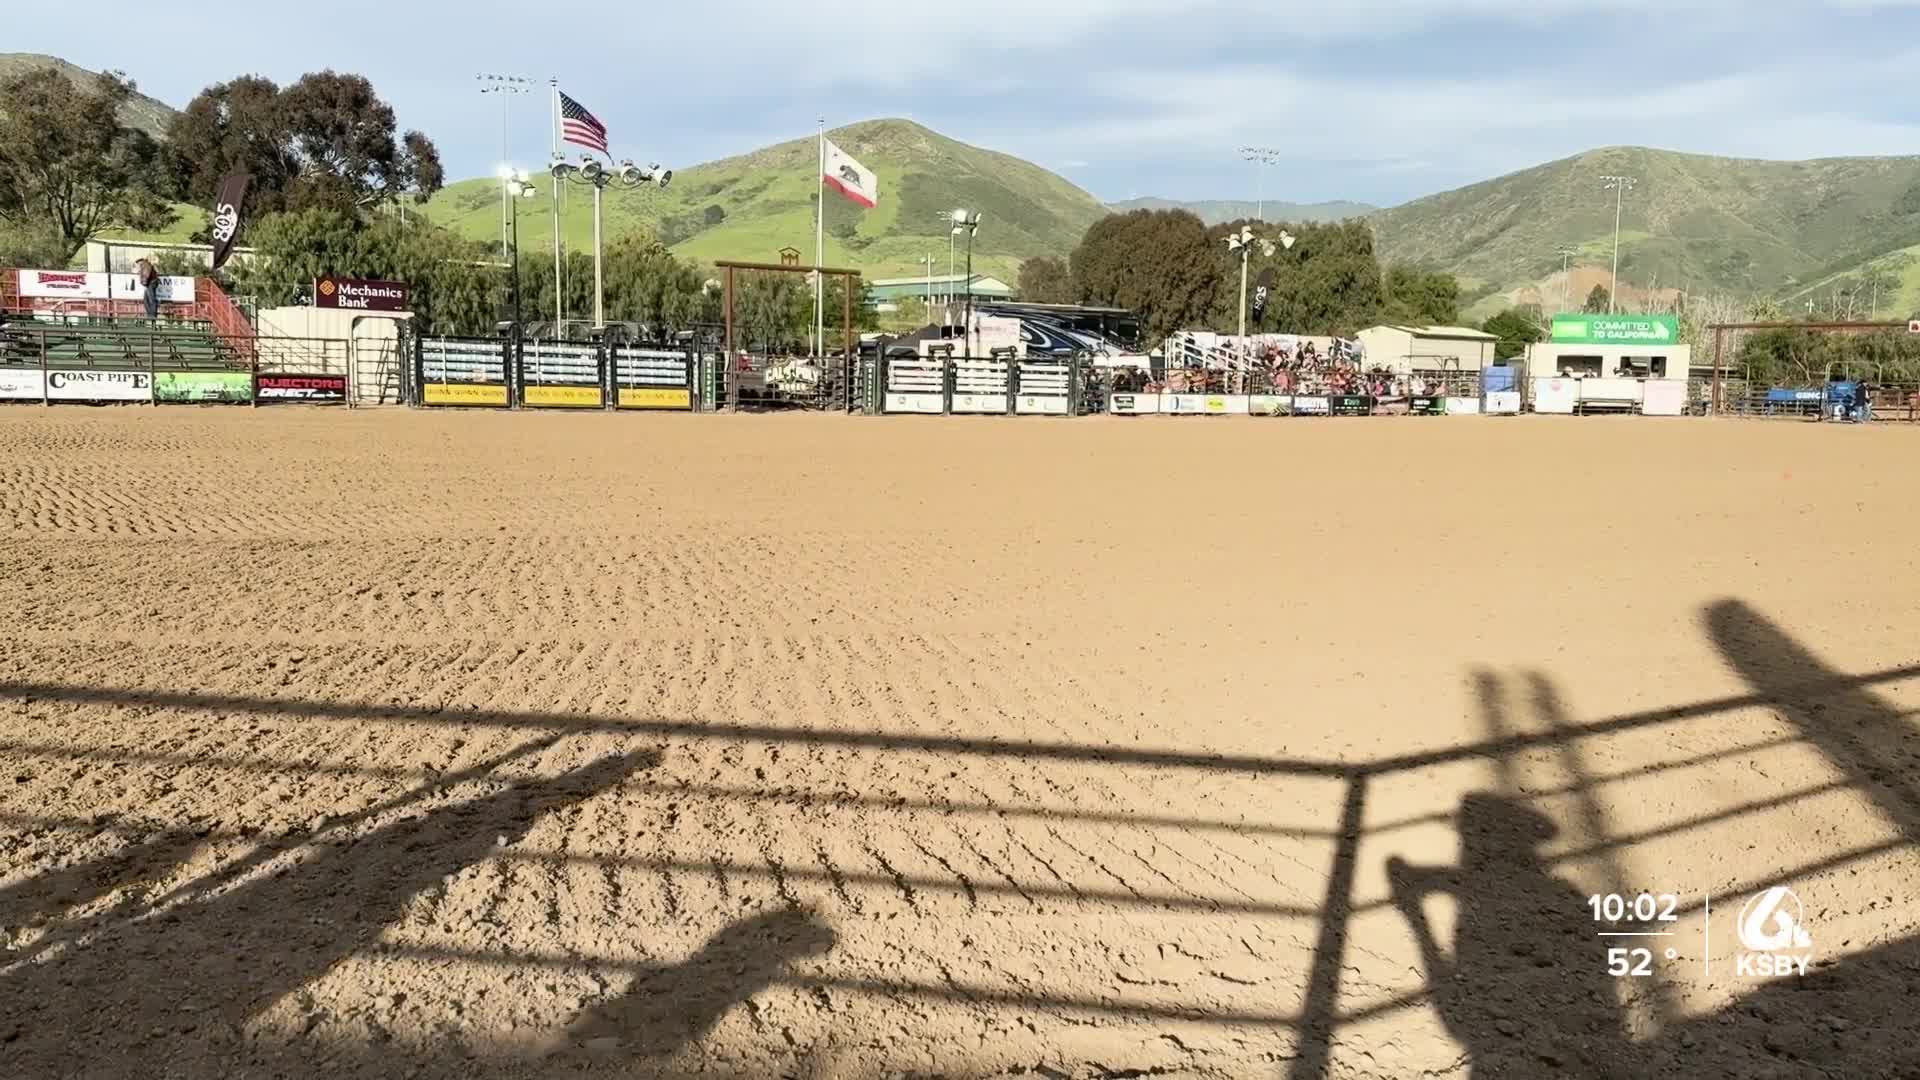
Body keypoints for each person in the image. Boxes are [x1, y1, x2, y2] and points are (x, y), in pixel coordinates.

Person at [134, 257, 160, 322]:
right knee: (146, 300)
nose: (137, 265)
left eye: (138, 263)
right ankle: (151, 315)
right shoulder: (145, 265)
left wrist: (144, 282)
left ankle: (152, 315)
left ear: (140, 262)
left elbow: (146, 276)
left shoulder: (145, 265)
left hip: (151, 283)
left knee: (151, 300)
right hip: (150, 283)